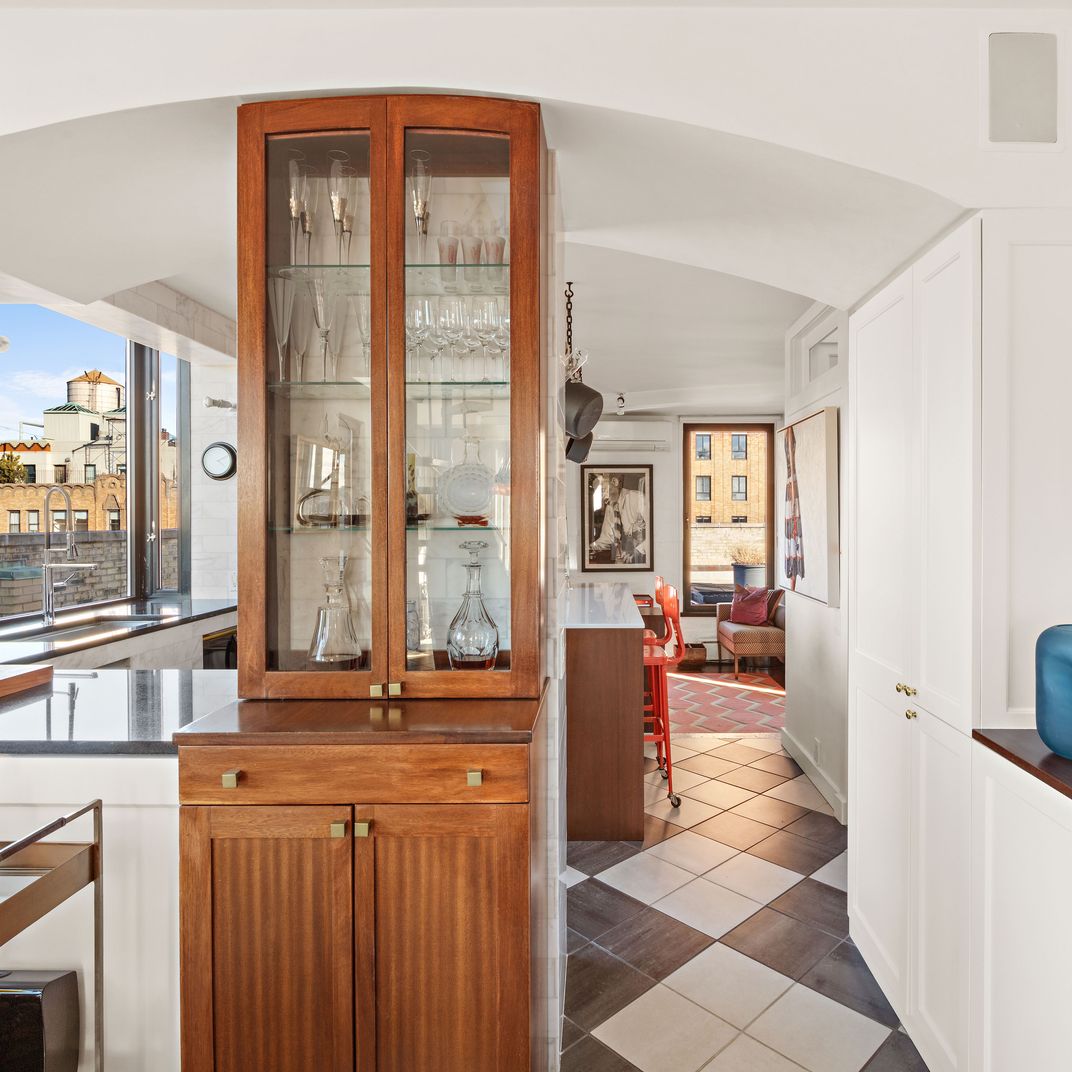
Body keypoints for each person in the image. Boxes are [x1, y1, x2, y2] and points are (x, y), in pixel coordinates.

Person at [589, 473, 648, 564]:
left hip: (644, 558)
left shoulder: (636, 498)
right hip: (624, 559)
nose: (602, 497)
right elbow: (606, 539)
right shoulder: (611, 507)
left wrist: (638, 550)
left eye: (603, 491)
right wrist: (589, 548)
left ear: (615, 482)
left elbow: (656, 529)